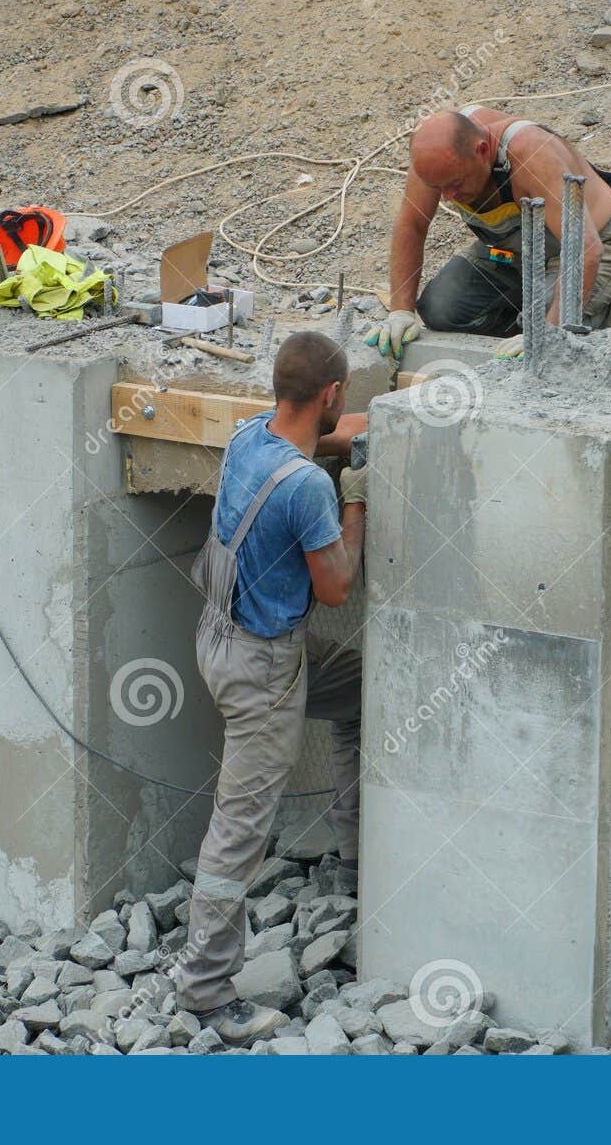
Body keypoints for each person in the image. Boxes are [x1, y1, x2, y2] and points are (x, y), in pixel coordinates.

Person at [173, 331, 367, 1045]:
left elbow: (320, 445)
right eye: (341, 405)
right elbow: (338, 586)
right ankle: (204, 992)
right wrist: (359, 499)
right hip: (263, 673)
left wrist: (374, 431)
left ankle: (354, 858)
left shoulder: (249, 438)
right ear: (331, 394)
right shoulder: (313, 488)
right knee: (239, 832)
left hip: (222, 638)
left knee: (360, 693)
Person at [365, 105, 611, 359]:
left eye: (455, 184)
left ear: (483, 150)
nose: (448, 197)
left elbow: (586, 249)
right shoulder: (436, 157)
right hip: (509, 254)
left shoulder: (531, 153)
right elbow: (412, 225)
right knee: (439, 308)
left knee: (545, 325)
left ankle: (589, 320)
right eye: (438, 188)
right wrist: (400, 311)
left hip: (590, 251)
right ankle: (523, 329)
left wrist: (548, 331)